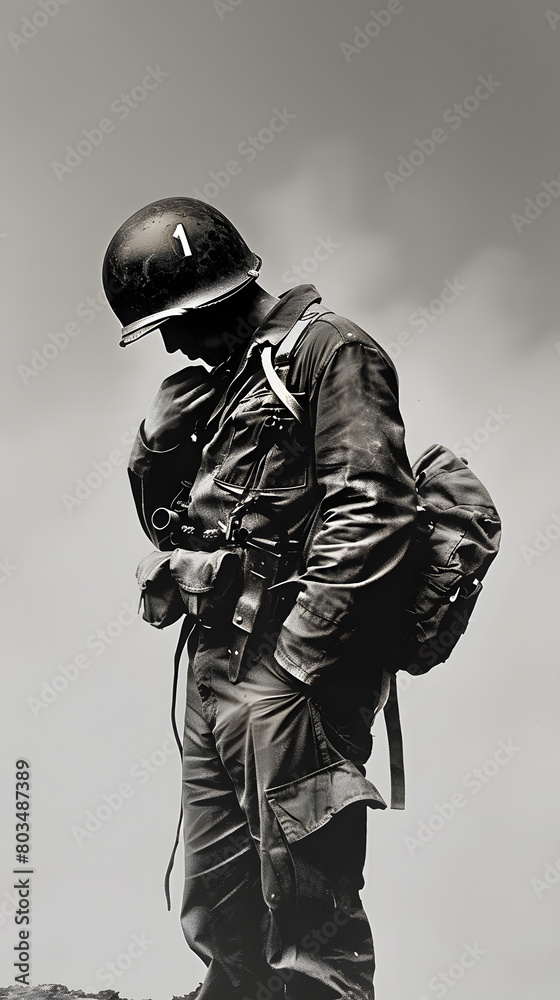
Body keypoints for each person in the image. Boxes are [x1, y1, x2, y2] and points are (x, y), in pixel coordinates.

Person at [103, 197, 418, 1000]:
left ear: (217, 296)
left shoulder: (328, 353)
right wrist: (155, 445)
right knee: (217, 907)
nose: (170, 342)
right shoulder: (220, 383)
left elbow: (372, 509)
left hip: (287, 669)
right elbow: (175, 521)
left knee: (307, 914)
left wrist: (297, 662)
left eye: (175, 321)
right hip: (216, 668)